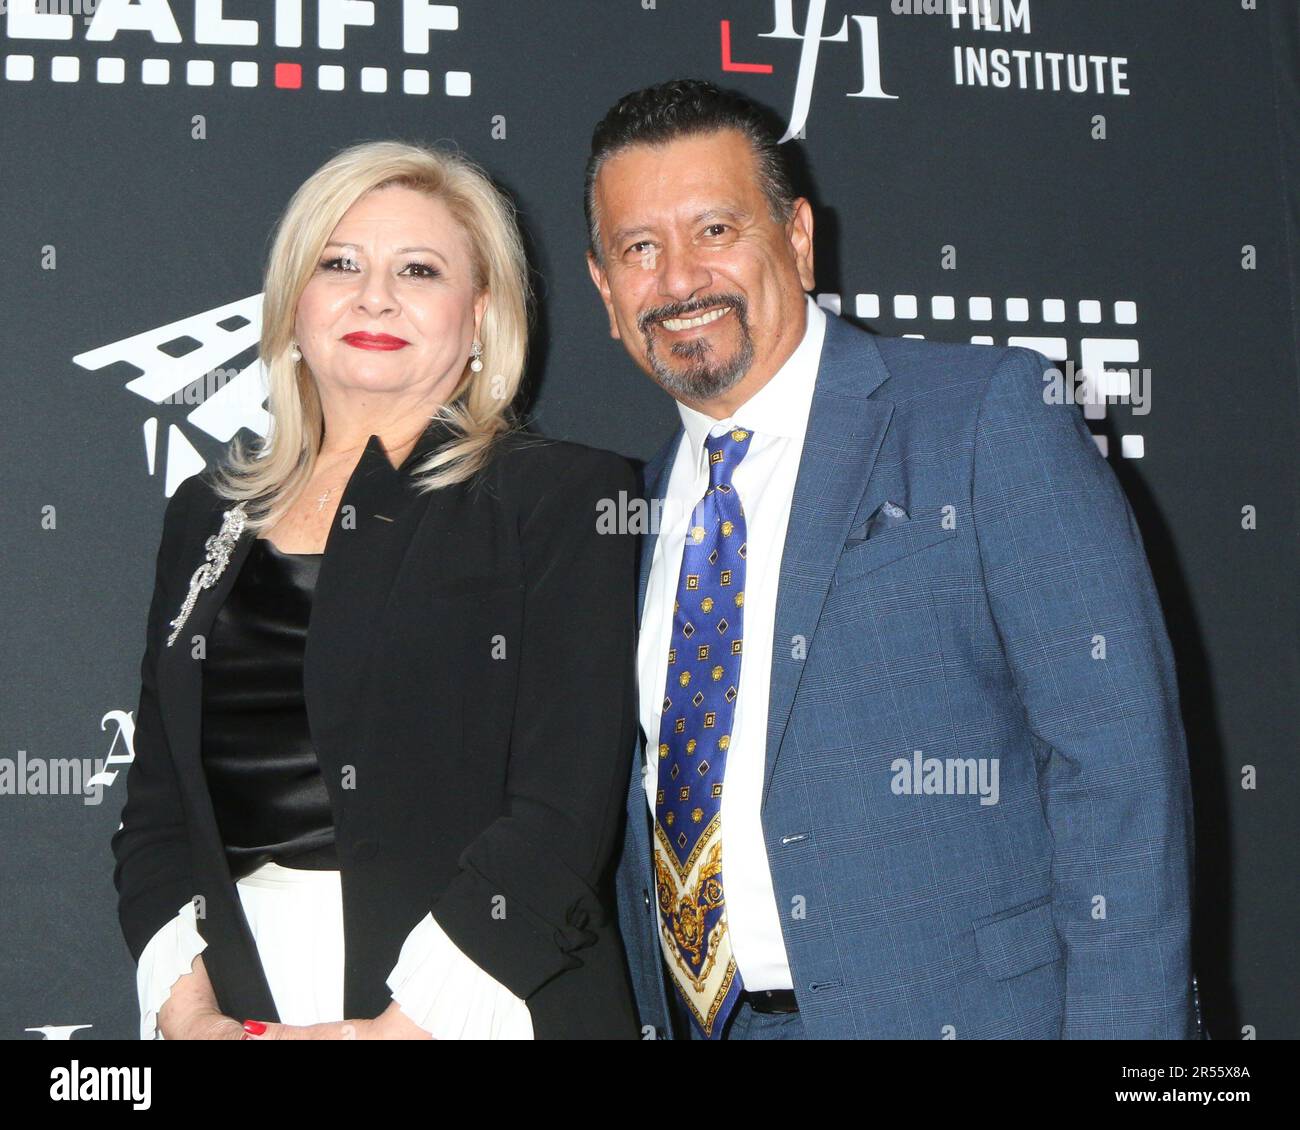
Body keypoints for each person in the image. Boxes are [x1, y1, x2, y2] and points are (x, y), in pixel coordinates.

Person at [585, 79, 1199, 1040]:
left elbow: (1118, 771)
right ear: (604, 288)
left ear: (796, 237)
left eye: (714, 230)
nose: (676, 280)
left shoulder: (986, 414)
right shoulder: (629, 508)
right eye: (639, 248)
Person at [111, 139, 640, 1040]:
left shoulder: (561, 498)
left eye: (419, 270)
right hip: (242, 1004)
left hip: (482, 1001)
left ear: (480, 318)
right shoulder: (207, 514)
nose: (375, 296)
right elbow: (158, 808)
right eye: (341, 263)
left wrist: (402, 1029)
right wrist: (190, 1016)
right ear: (292, 306)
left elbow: (564, 810)